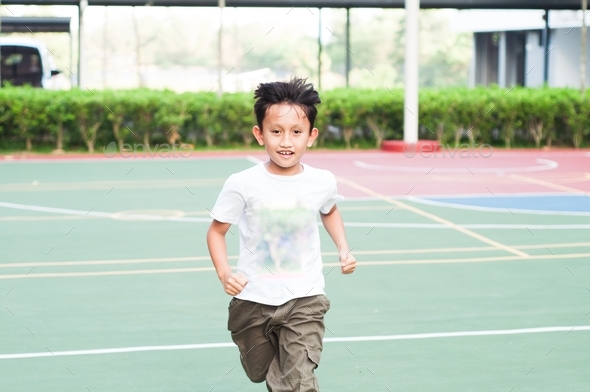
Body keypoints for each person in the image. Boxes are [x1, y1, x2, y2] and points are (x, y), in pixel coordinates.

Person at [206, 77, 356, 392]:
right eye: (276, 132)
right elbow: (217, 231)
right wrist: (224, 274)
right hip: (253, 300)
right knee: (260, 371)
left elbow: (329, 211)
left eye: (296, 132)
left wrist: (343, 248)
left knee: (298, 379)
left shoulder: (322, 181)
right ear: (260, 134)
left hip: (306, 297)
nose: (286, 142)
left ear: (311, 136)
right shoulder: (242, 183)